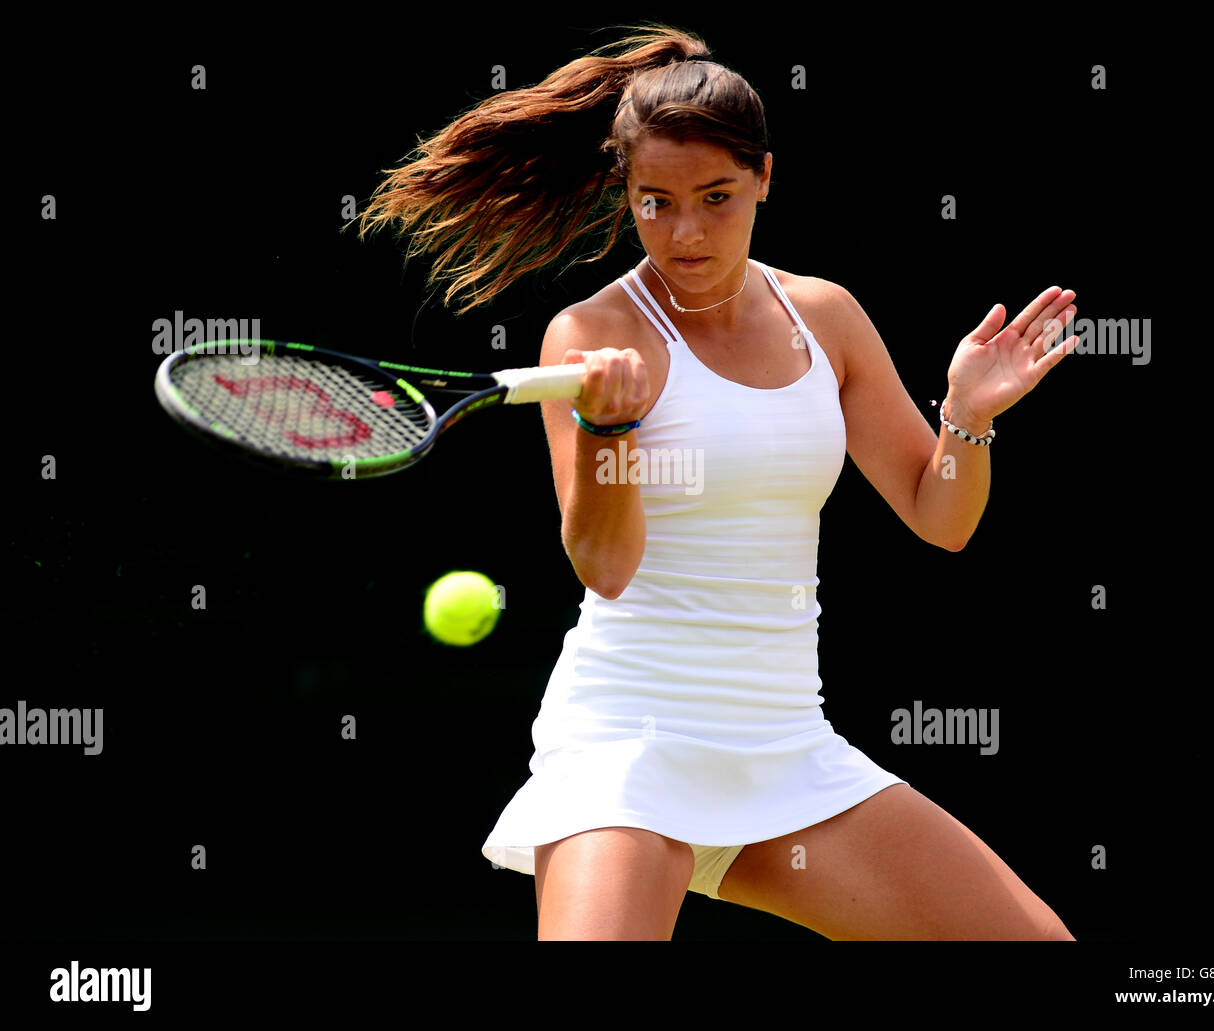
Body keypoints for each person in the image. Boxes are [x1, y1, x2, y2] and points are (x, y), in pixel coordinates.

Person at [355, 25, 1079, 940]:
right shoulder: (589, 335)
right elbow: (604, 565)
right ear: (627, 191)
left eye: (716, 197)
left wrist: (966, 415)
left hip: (786, 750)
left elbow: (943, 517)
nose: (685, 231)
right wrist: (607, 427)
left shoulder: (827, 318)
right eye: (655, 202)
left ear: (765, 178)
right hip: (629, 748)